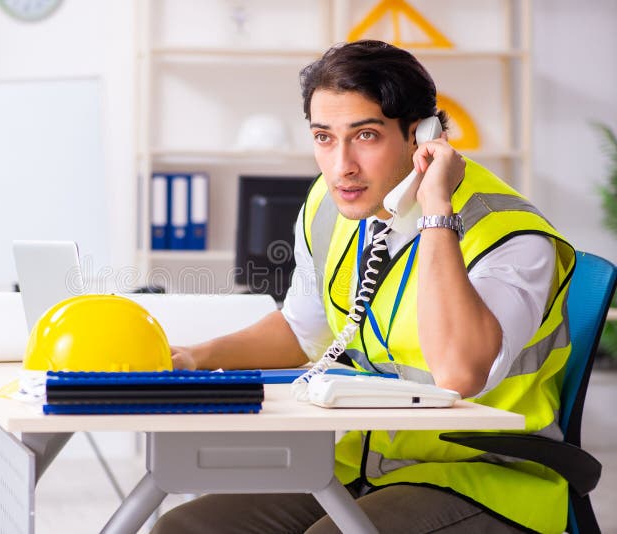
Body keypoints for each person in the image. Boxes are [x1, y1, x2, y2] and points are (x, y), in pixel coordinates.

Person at [152, 40, 576, 534]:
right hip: (361, 465)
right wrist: (195, 358)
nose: (341, 166)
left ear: (422, 135)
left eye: (366, 135)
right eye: (324, 137)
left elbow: (460, 373)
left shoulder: (506, 232)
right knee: (187, 528)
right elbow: (302, 333)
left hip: (483, 475)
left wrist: (437, 212)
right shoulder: (330, 206)